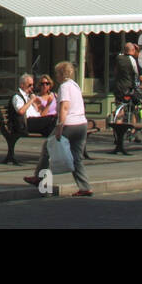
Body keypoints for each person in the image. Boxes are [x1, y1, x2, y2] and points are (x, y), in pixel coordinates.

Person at [26, 60, 92, 196]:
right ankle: (85, 187)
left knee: (48, 146)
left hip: (69, 124)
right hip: (82, 124)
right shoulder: (75, 86)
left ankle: (39, 176)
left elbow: (65, 106)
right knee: (77, 157)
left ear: (62, 73)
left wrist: (59, 126)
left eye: (57, 73)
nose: (56, 76)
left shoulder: (64, 87)